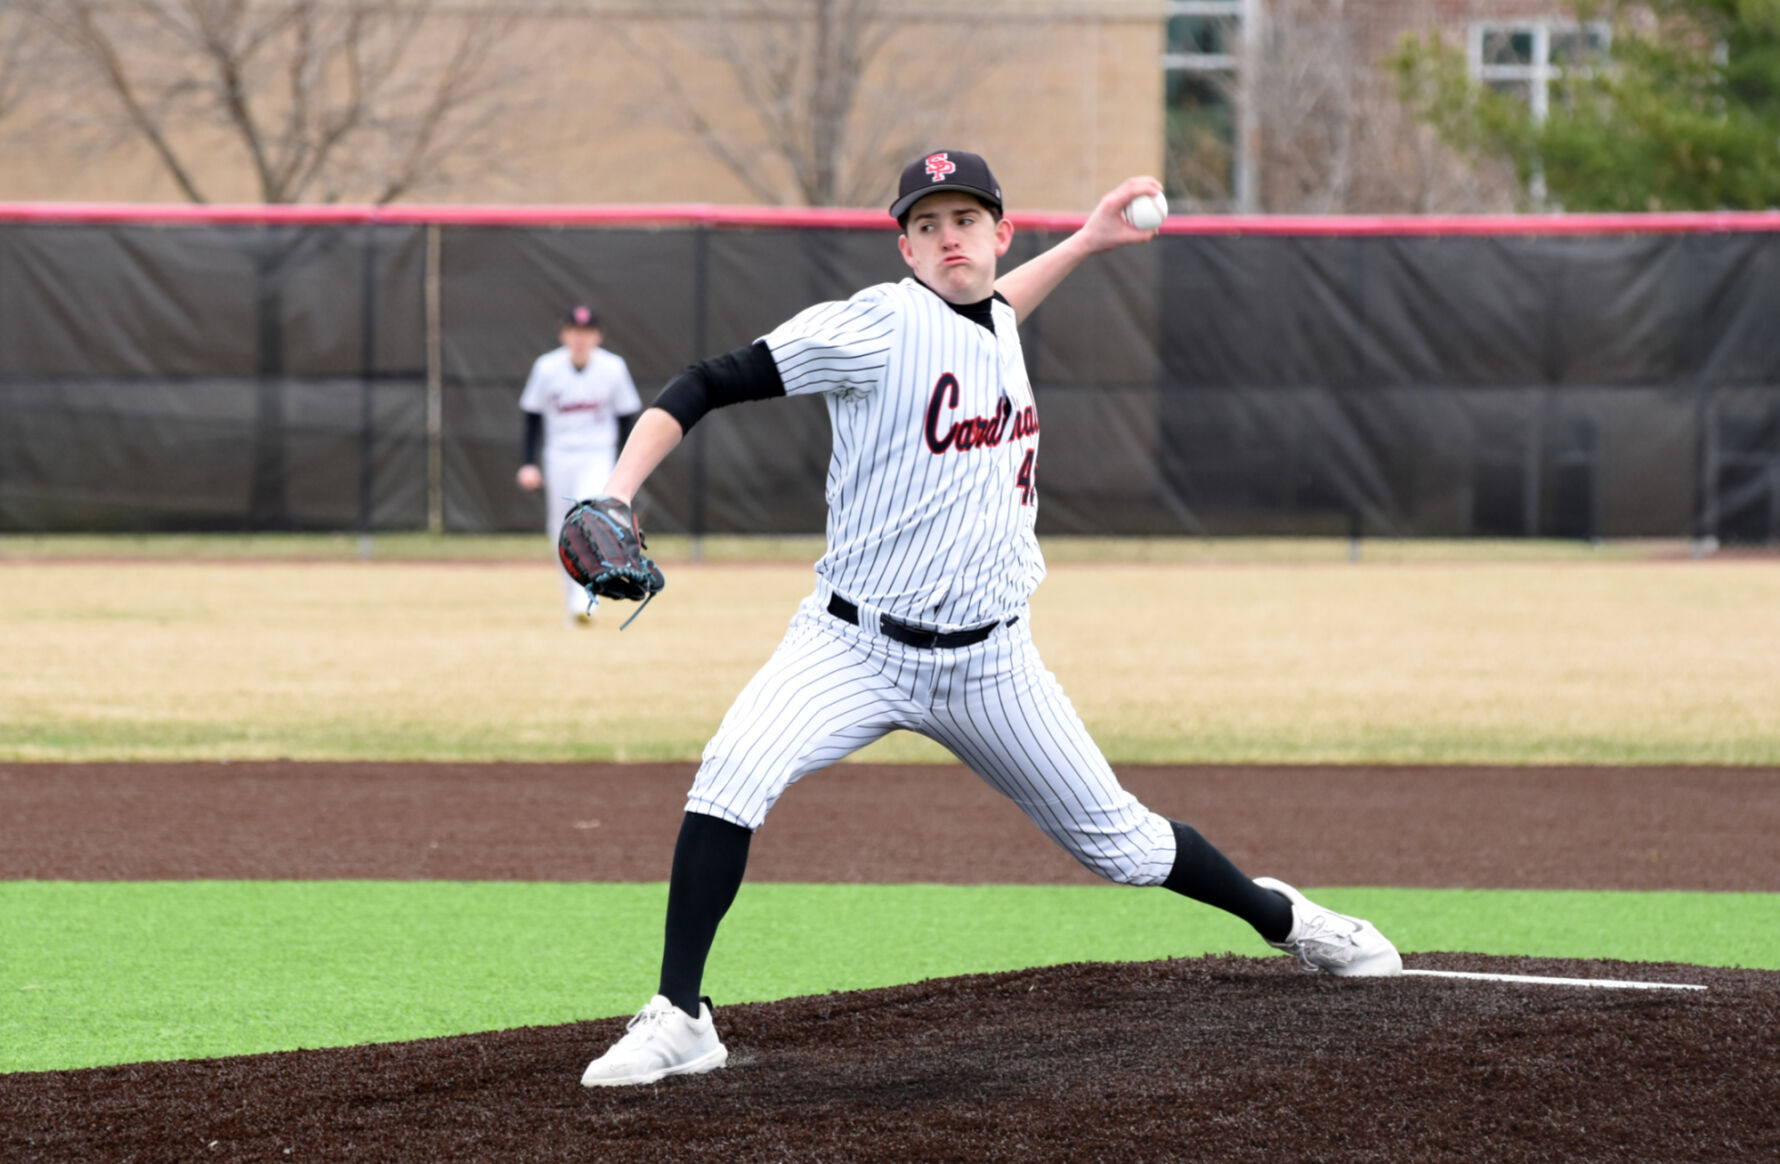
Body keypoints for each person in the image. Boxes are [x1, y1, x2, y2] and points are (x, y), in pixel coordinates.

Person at [578, 150, 1401, 1087]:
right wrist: (615, 492)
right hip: (851, 645)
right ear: (905, 246)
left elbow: (999, 309)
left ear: (1000, 234)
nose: (947, 237)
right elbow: (703, 383)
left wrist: (1090, 239)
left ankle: (1288, 921)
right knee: (730, 772)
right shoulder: (874, 328)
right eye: (926, 225)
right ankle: (681, 1015)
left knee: (1124, 844)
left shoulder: (996, 317)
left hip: (991, 667)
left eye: (965, 219)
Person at [516, 304, 644, 624]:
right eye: (574, 331)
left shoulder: (614, 368)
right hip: (559, 456)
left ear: (597, 336)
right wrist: (528, 463)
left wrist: (630, 467)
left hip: (598, 455)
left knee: (588, 519)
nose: (580, 338)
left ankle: (585, 597)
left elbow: (628, 420)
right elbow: (532, 418)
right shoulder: (546, 368)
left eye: (587, 332)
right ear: (564, 334)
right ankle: (573, 600)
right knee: (559, 529)